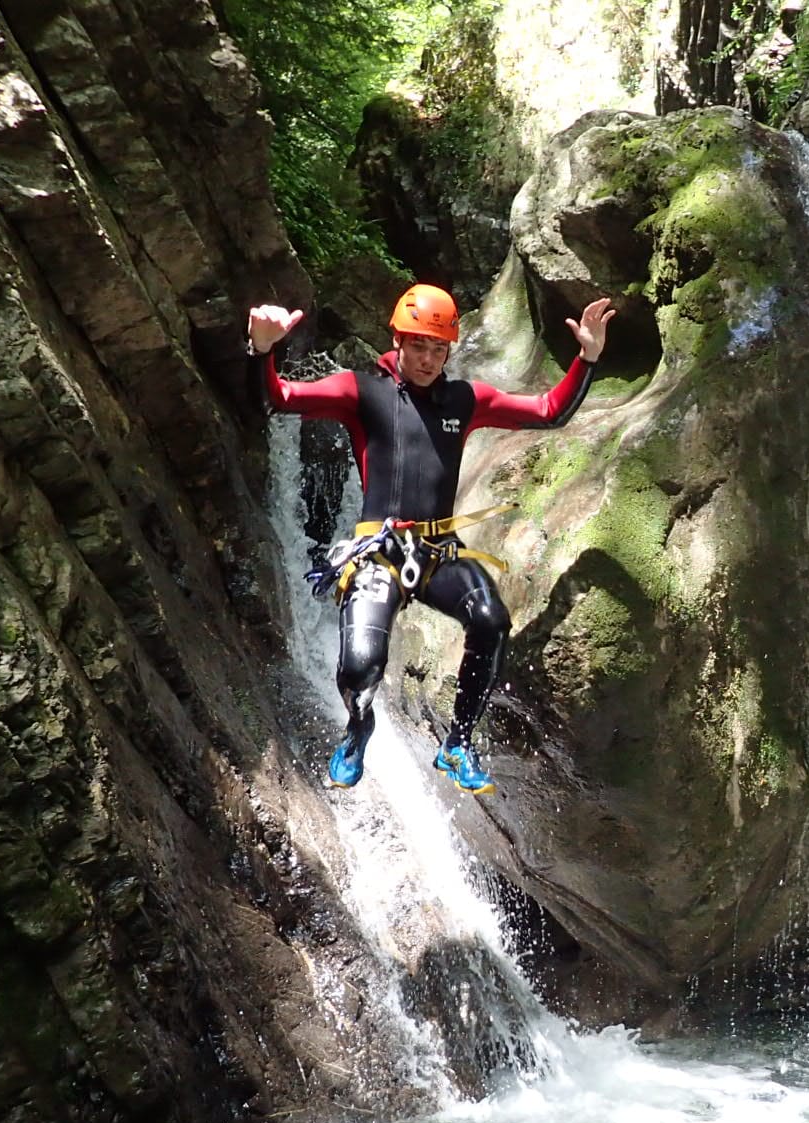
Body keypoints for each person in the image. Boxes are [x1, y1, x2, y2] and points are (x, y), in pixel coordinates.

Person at [246, 284, 615, 795]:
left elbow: (550, 410)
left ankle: (458, 744)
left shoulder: (465, 400)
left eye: (438, 348)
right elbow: (279, 397)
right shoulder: (362, 390)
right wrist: (262, 350)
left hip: (439, 553)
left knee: (491, 619)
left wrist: (587, 358)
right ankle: (358, 727)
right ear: (398, 340)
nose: (427, 358)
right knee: (358, 667)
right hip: (377, 553)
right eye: (418, 345)